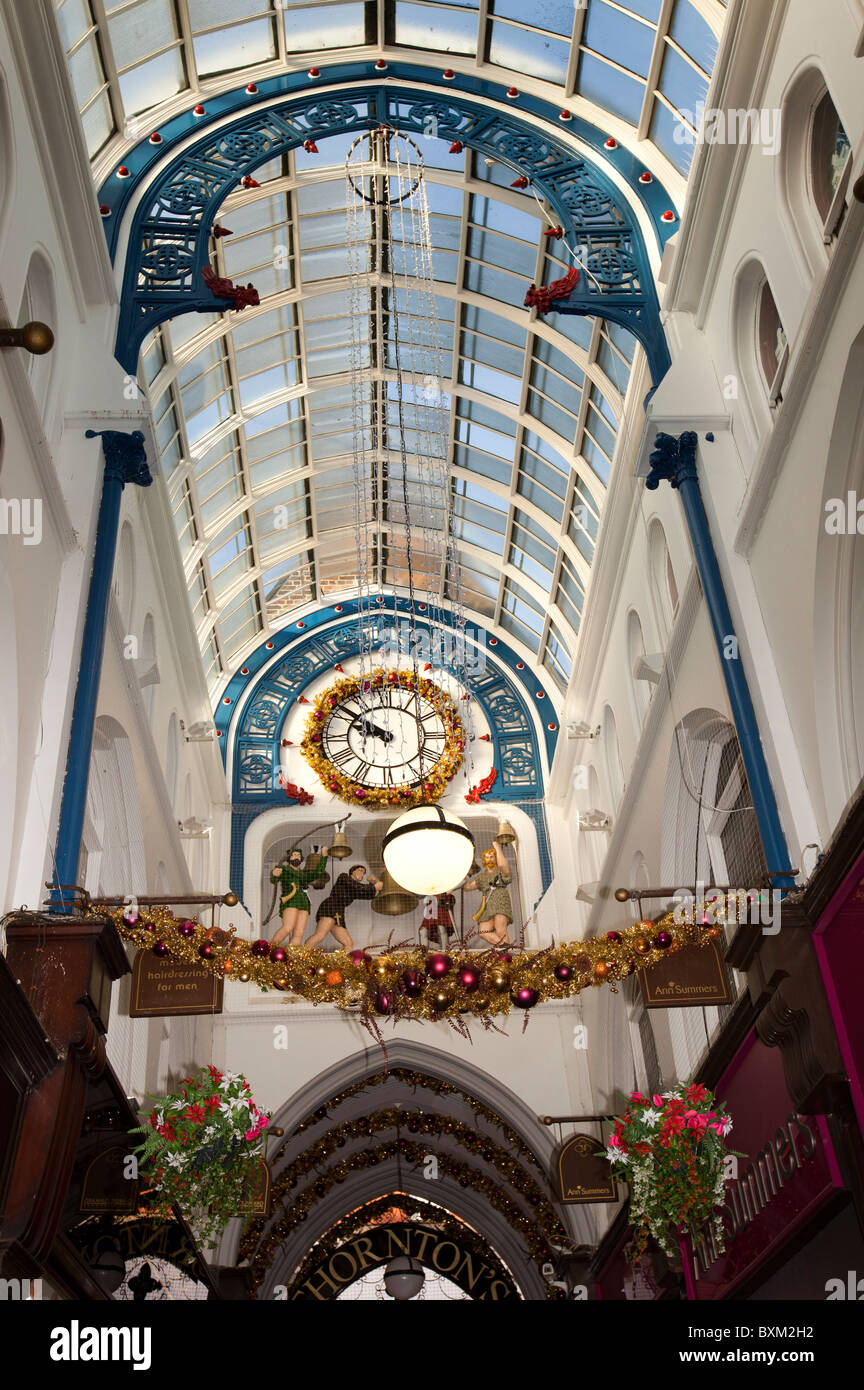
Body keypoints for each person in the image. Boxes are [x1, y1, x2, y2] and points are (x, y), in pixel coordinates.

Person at [304, 863, 383, 951]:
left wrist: (372, 885)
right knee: (320, 935)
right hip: (331, 906)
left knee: (348, 943)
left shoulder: (355, 889)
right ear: (352, 872)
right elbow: (356, 887)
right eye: (360, 871)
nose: (362, 874)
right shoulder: (344, 877)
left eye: (364, 873)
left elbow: (368, 895)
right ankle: (302, 955)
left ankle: (346, 963)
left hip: (339, 911)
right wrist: (374, 887)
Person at [270, 845, 328, 948]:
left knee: (299, 932)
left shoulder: (304, 875)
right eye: (294, 855)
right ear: (289, 858)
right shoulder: (284, 869)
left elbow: (318, 872)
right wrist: (274, 874)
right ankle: (270, 949)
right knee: (287, 928)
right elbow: (274, 880)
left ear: (301, 859)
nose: (296, 857)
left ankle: (293, 956)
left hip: (304, 902)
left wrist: (324, 856)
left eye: (298, 855)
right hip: (290, 901)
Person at [464, 840, 513, 947]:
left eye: (492, 856)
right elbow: (467, 887)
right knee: (483, 931)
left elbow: (504, 868)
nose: (489, 858)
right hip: (487, 904)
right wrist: (462, 872)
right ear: (484, 860)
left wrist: (497, 847)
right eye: (487, 857)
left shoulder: (500, 872)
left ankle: (506, 953)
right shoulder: (482, 877)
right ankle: (506, 947)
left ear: (496, 858)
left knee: (501, 931)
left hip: (500, 901)